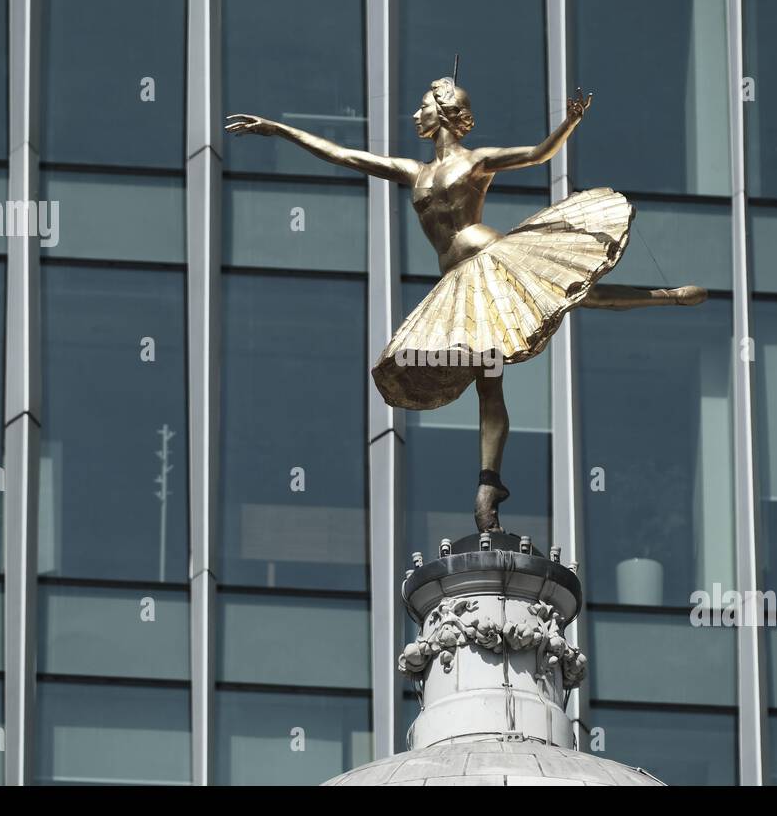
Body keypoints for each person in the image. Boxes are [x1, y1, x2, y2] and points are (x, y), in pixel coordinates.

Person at [226, 76, 706, 532]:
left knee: (575, 293)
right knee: (488, 383)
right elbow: (346, 155)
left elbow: (538, 154)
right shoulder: (414, 171)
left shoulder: (475, 161)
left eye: (424, 106)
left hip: (490, 256)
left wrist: (570, 122)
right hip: (458, 284)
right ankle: (488, 485)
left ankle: (667, 296)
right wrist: (278, 128)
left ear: (446, 112)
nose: (416, 114)